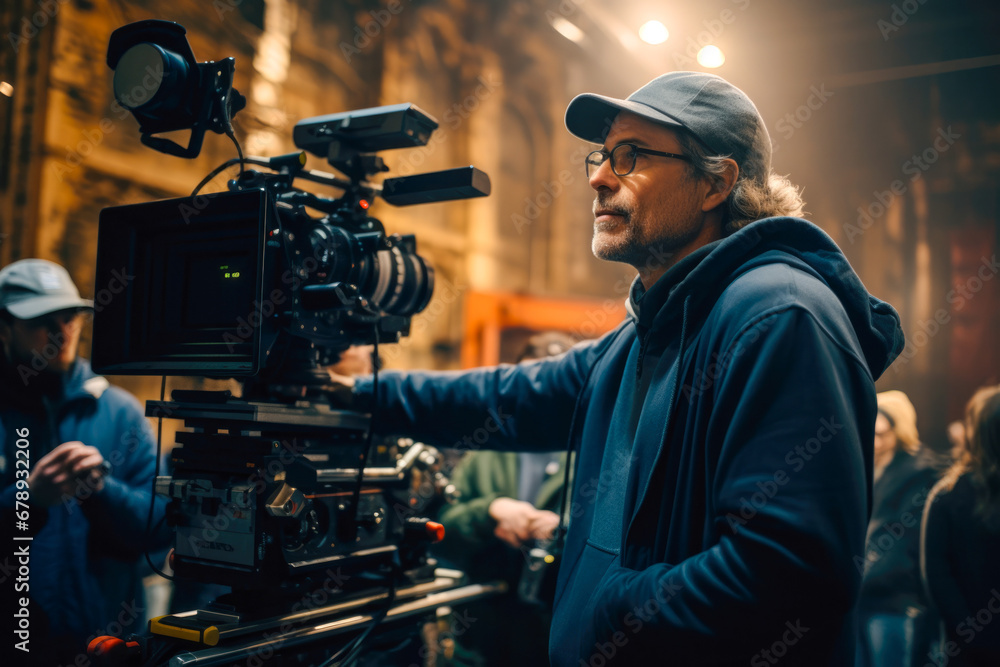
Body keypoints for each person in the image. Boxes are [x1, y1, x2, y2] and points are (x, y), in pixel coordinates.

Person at [333, 71, 905, 665]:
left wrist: (612, 607)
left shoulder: (778, 316)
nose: (600, 177)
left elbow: (791, 575)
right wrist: (359, 393)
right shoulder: (652, 331)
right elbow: (510, 396)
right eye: (602, 157)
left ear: (716, 183)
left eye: (631, 157)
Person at [0, 258, 170, 664]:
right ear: (4, 327)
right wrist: (26, 500)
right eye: (43, 322)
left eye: (71, 319)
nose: (62, 334)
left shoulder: (121, 412)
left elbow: (160, 528)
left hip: (105, 648)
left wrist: (100, 490)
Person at [433, 332, 575, 666]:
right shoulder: (488, 447)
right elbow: (439, 532)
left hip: (554, 639)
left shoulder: (599, 451)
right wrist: (490, 512)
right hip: (480, 636)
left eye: (553, 383)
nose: (540, 395)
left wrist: (564, 531)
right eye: (530, 381)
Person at [856, 390, 942, 666]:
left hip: (894, 599)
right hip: (862, 596)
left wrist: (861, 578)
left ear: (899, 430)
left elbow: (902, 543)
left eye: (882, 433)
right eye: (872, 432)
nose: (875, 441)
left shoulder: (919, 472)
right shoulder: (869, 465)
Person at [921, 385, 1000, 666]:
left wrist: (969, 632)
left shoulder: (947, 494)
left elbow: (937, 576)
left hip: (967, 648)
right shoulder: (949, 495)